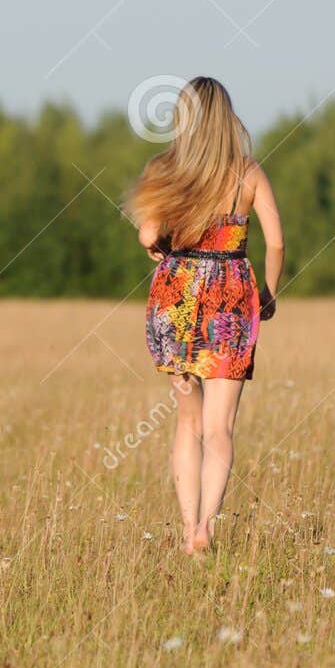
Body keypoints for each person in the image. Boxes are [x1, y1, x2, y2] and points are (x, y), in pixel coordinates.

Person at [127, 76, 283, 556]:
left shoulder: (166, 168)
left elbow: (148, 232)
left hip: (177, 299)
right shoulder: (248, 172)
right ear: (226, 119)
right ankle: (205, 530)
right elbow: (276, 242)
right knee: (221, 427)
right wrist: (269, 293)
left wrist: (159, 246)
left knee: (187, 421)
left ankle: (186, 523)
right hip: (232, 297)